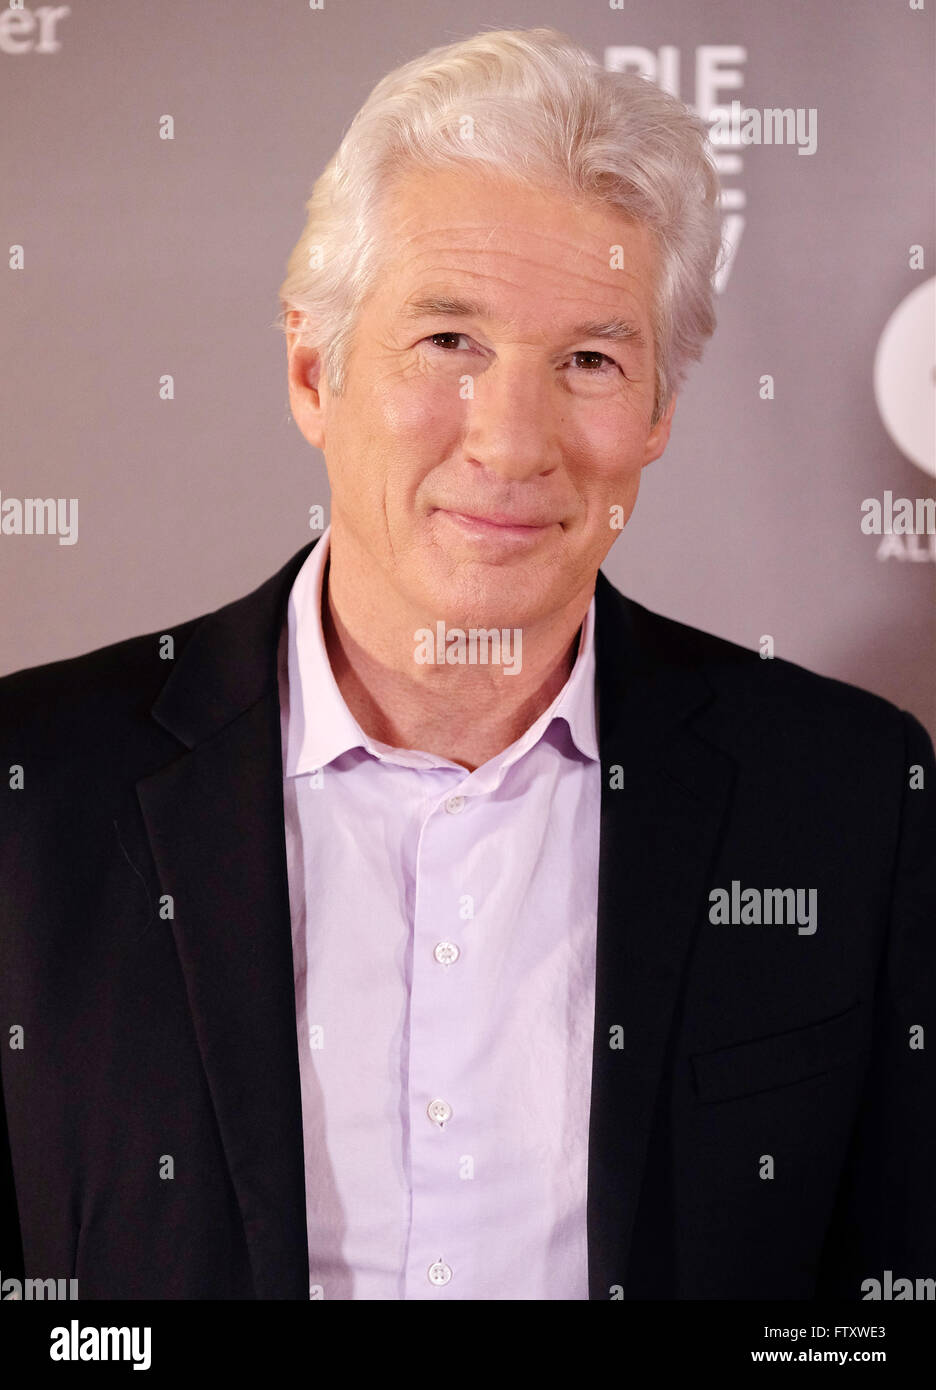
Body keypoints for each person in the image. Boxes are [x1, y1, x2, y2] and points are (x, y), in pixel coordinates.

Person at [0, 26, 933, 1301]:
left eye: (591, 361)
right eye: (449, 341)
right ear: (312, 370)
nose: (512, 440)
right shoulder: (32, 791)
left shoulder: (852, 798)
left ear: (659, 410)